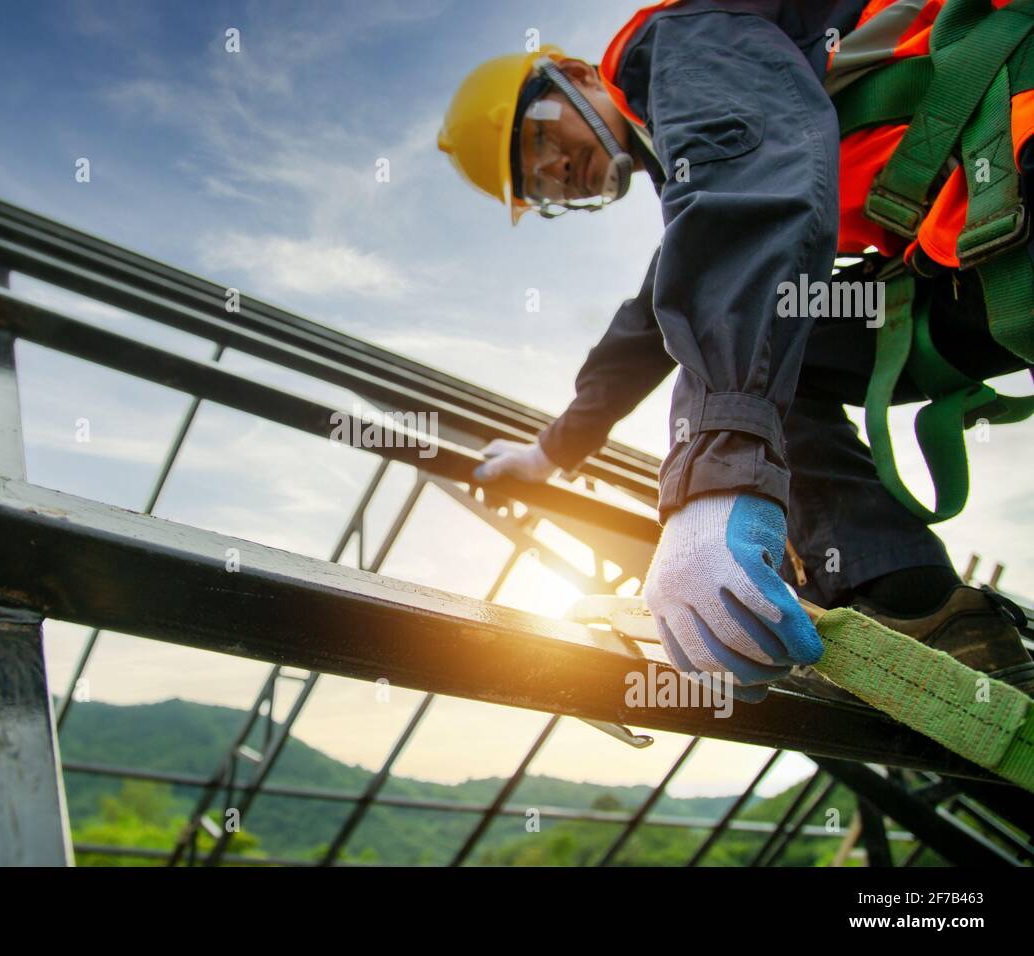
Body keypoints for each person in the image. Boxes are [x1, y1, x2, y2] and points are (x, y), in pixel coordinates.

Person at [436, 0, 1034, 701]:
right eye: (539, 184)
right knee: (777, 342)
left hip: (1011, 186)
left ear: (571, 75)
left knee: (769, 341)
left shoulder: (678, 41)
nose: (559, 169)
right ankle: (911, 599)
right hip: (991, 245)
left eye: (540, 143)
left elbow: (748, 201)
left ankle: (906, 598)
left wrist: (716, 486)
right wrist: (548, 454)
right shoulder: (692, 166)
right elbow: (651, 323)